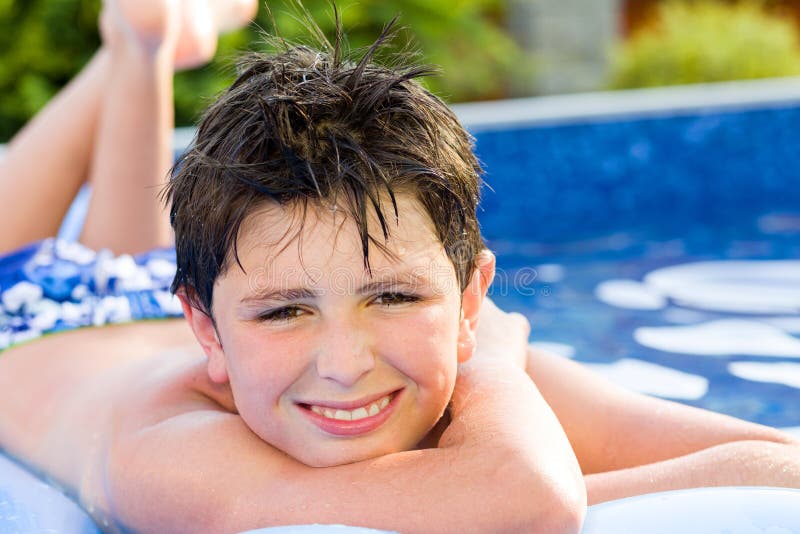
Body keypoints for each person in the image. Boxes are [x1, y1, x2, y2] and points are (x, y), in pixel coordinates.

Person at [0, 1, 798, 532]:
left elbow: (773, 462)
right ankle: (138, 40)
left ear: (469, 298)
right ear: (204, 328)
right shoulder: (165, 454)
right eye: (288, 312)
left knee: (145, 251)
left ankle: (141, 41)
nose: (347, 367)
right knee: (116, 251)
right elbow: (526, 500)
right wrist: (486, 362)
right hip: (22, 320)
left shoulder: (433, 341)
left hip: (189, 299)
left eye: (391, 296)